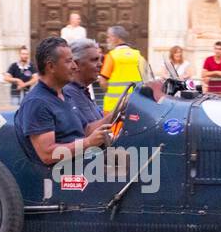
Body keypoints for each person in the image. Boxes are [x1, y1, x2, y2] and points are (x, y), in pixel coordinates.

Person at [13, 36, 108, 165]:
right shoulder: (37, 103)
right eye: (69, 61)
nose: (75, 67)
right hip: (68, 176)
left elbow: (83, 131)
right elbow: (47, 154)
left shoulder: (64, 96)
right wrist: (88, 142)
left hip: (88, 163)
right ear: (51, 67)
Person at [100, 26, 144, 113]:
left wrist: (109, 91)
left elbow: (102, 81)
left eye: (109, 37)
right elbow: (146, 79)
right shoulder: (138, 55)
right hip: (135, 104)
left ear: (116, 38)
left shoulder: (112, 56)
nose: (107, 40)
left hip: (113, 106)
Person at [65, 38, 105, 123]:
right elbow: (88, 130)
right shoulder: (69, 92)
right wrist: (118, 110)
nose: (100, 64)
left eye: (100, 60)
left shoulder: (82, 90)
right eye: (94, 60)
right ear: (76, 64)